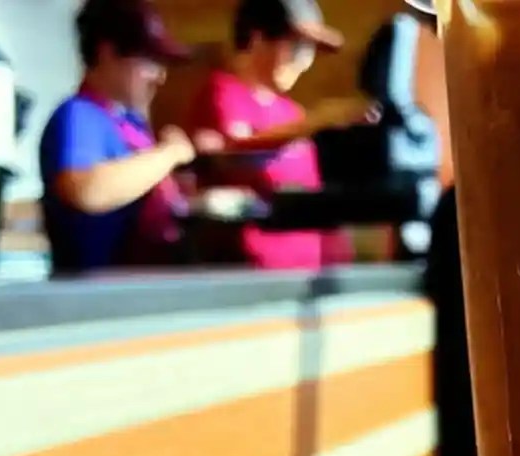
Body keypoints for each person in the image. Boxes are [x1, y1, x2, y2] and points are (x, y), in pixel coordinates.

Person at [190, 0, 372, 270]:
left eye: (310, 51)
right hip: (250, 277)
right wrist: (315, 123)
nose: (305, 61)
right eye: (297, 46)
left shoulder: (292, 113)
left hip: (307, 276)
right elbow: (233, 154)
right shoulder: (222, 93)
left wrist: (340, 261)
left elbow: (313, 196)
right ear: (257, 37)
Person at [39, 0, 197, 273]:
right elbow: (86, 191)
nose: (159, 77)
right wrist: (169, 153)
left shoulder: (129, 124)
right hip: (95, 298)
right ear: (107, 52)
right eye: (149, 61)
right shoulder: (80, 114)